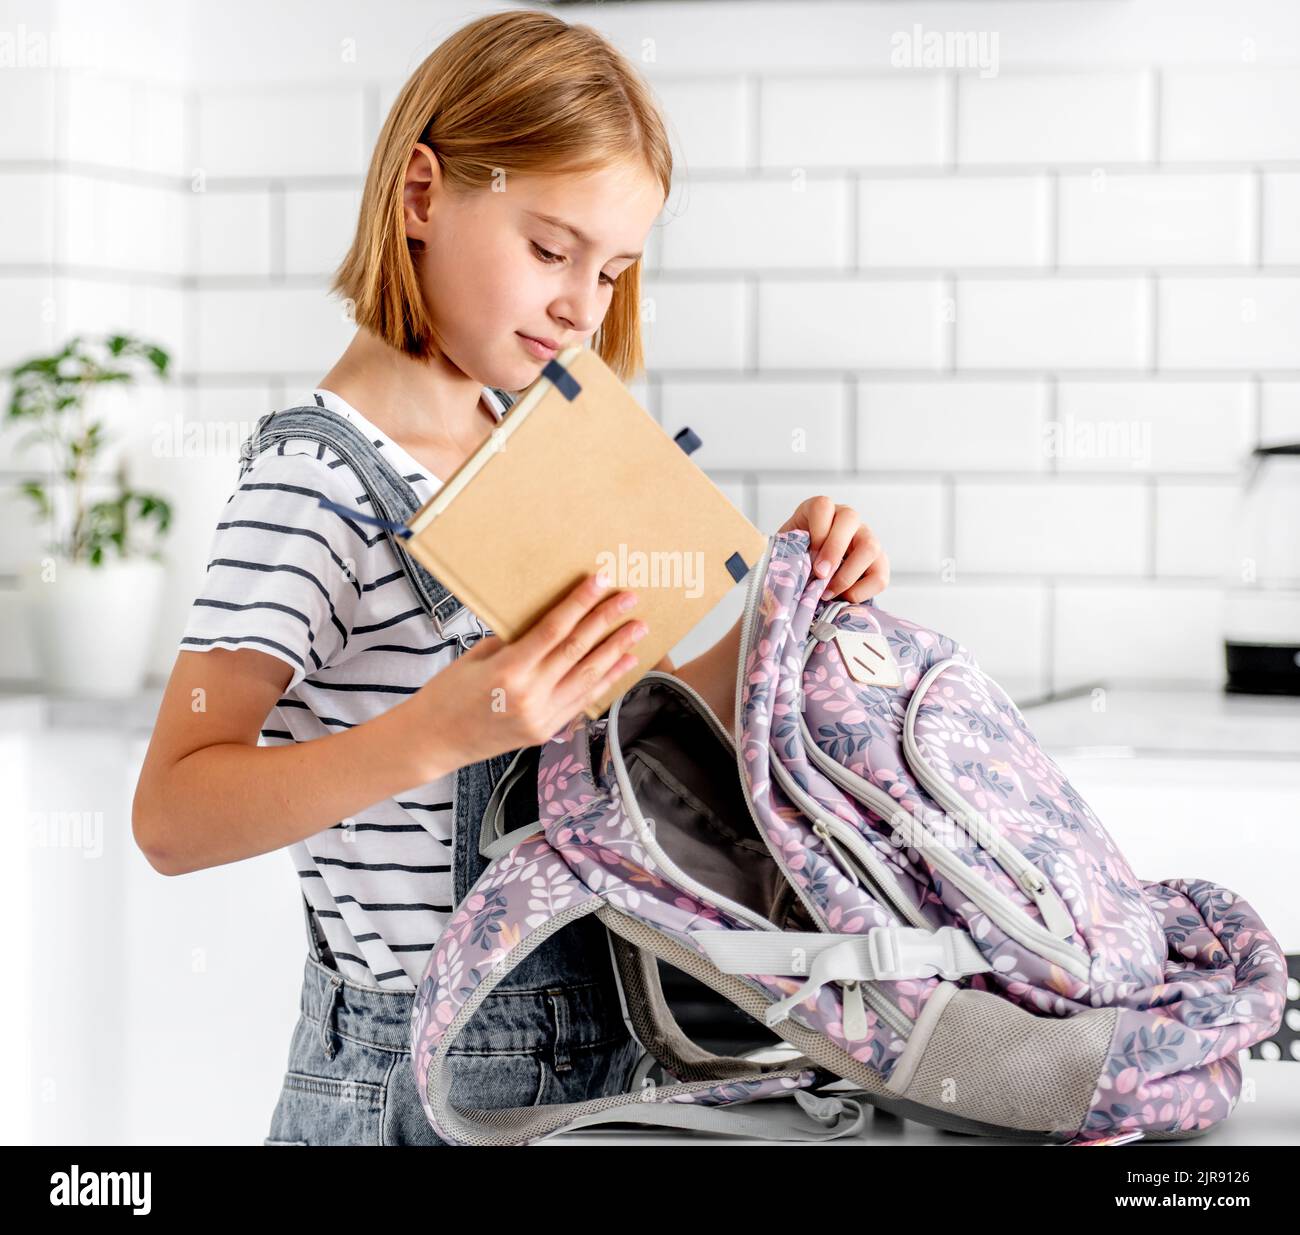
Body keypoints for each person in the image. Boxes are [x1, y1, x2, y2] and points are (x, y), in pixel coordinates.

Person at [131, 8, 890, 1147]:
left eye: (614, 269)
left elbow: (648, 739)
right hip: (414, 1080)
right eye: (550, 249)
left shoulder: (538, 445)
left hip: (609, 1056)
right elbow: (171, 814)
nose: (583, 304)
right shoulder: (312, 480)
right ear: (423, 195)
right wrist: (442, 729)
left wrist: (792, 606)